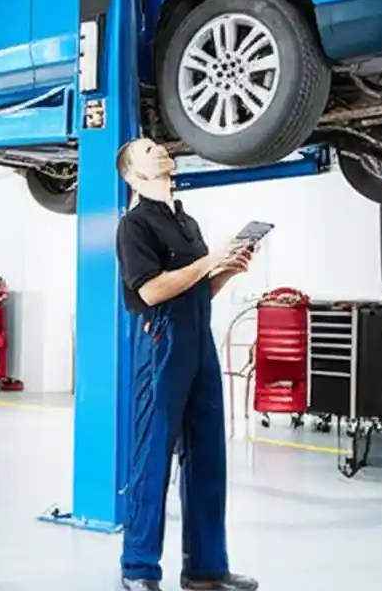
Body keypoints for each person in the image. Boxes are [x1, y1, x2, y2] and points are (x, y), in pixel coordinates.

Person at [114, 137, 259, 591]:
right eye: (146, 150)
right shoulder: (134, 226)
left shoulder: (186, 222)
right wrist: (210, 260)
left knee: (208, 455)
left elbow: (197, 287)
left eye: (157, 144)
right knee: (152, 454)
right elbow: (152, 290)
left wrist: (227, 269)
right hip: (162, 341)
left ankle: (205, 569)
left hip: (199, 339)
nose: (158, 149)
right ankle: (138, 569)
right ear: (133, 174)